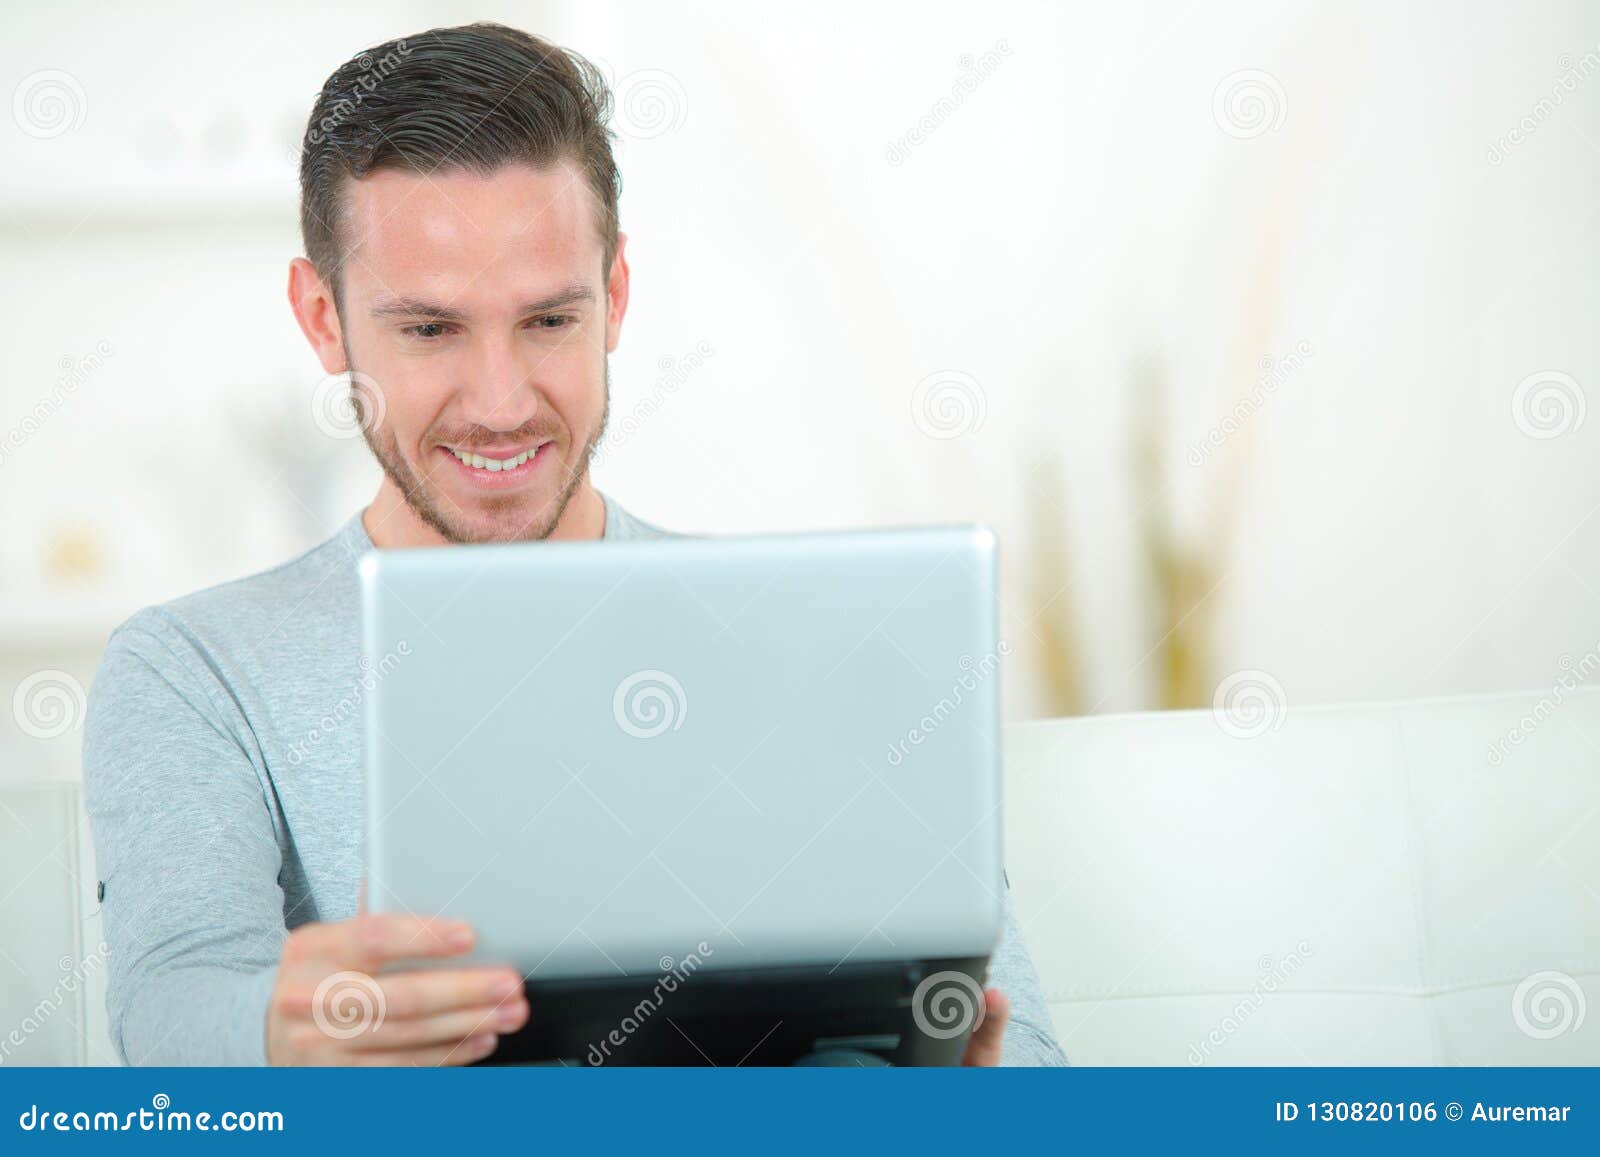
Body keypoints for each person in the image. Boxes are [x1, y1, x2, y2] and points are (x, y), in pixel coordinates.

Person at [82, 21, 1067, 1068]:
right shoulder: (191, 670)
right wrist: (278, 1037)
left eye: (549, 321)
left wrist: (959, 1086)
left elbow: (1030, 1053)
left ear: (618, 295)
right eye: (429, 330)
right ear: (323, 319)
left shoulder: (806, 640)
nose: (502, 403)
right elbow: (170, 1014)